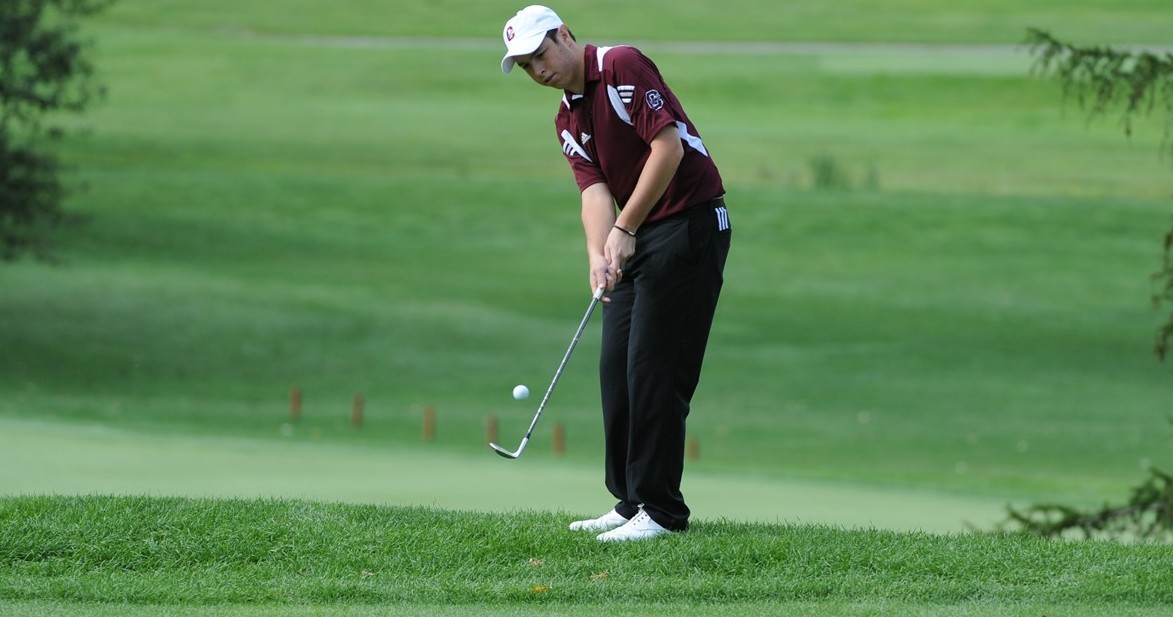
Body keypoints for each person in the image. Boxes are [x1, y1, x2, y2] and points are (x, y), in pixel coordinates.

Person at [500, 5, 731, 542]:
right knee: (617, 369)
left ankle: (663, 511)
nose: (539, 70)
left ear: (564, 35)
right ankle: (631, 501)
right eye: (527, 66)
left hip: (690, 223)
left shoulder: (621, 66)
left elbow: (668, 149)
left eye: (541, 54)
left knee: (654, 369)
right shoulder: (567, 118)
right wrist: (598, 254)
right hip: (639, 232)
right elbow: (594, 192)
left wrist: (625, 228)